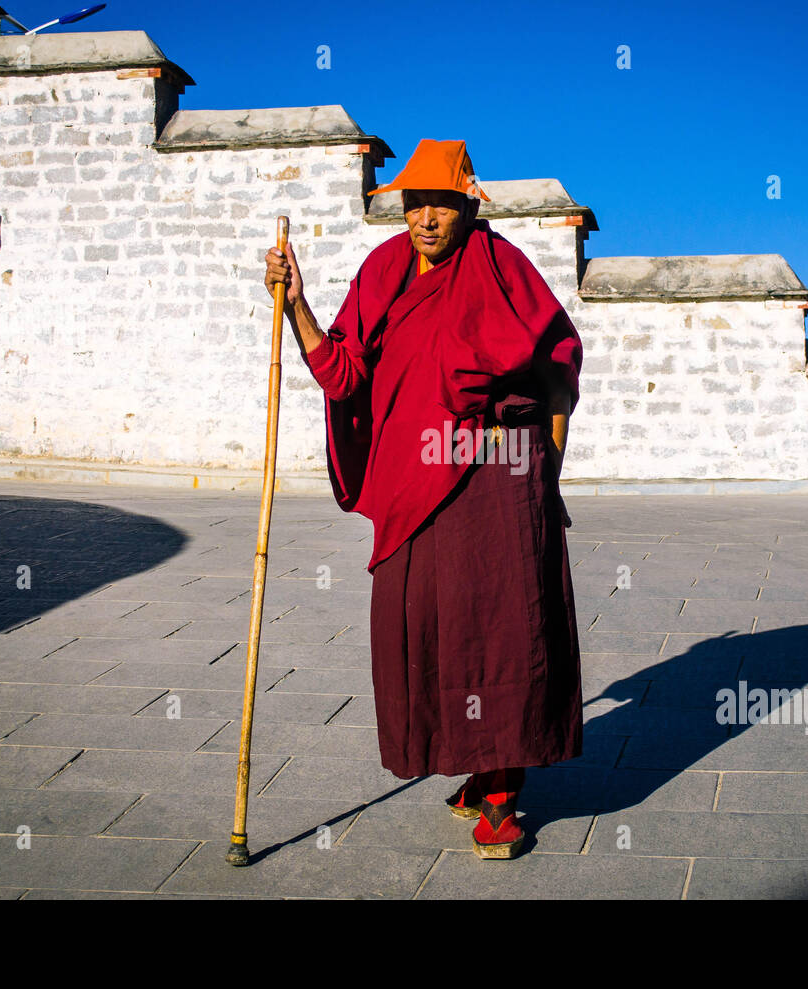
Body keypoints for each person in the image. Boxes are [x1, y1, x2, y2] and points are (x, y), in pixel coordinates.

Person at [263, 139, 583, 860]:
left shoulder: (501, 268)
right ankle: (474, 753)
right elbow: (344, 374)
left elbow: (559, 359)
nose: (426, 219)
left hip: (497, 475)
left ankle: (501, 790)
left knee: (498, 624)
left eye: (440, 204)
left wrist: (550, 466)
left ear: (468, 206)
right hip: (416, 482)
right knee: (423, 624)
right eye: (413, 204)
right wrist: (298, 306)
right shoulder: (382, 273)